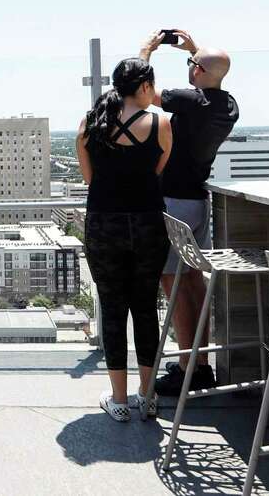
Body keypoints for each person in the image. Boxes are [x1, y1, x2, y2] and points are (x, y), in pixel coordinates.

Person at [138, 29, 238, 395]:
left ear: (196, 71)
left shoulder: (190, 101)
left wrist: (146, 51)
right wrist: (197, 52)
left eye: (191, 64)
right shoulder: (228, 105)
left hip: (173, 203)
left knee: (173, 282)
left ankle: (186, 369)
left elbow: (143, 93)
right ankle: (200, 363)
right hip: (197, 201)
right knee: (193, 281)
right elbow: (214, 77)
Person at [76, 58, 173, 422]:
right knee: (145, 307)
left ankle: (118, 399)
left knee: (113, 309)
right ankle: (147, 396)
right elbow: (157, 170)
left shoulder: (90, 124)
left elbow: (90, 179)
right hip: (148, 222)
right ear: (145, 86)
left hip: (104, 223)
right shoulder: (161, 123)